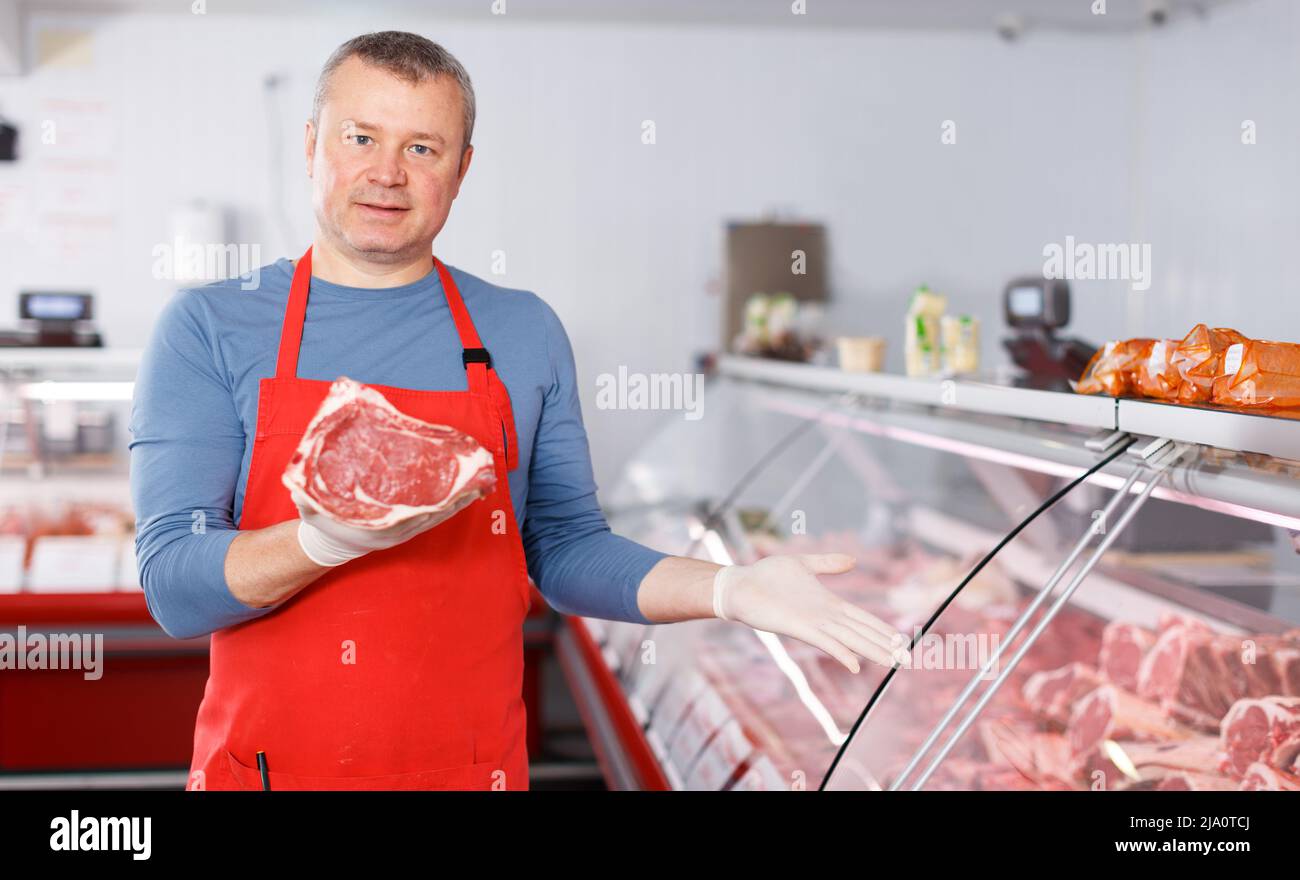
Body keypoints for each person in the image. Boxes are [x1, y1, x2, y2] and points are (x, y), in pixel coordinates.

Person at [130, 30, 906, 791]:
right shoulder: (211, 327)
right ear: (311, 145)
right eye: (360, 137)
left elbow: (565, 548)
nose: (386, 174)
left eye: (422, 149)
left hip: (471, 772)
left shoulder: (521, 329)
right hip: (271, 773)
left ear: (461, 170)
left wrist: (728, 590)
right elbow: (173, 585)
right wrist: (322, 542)